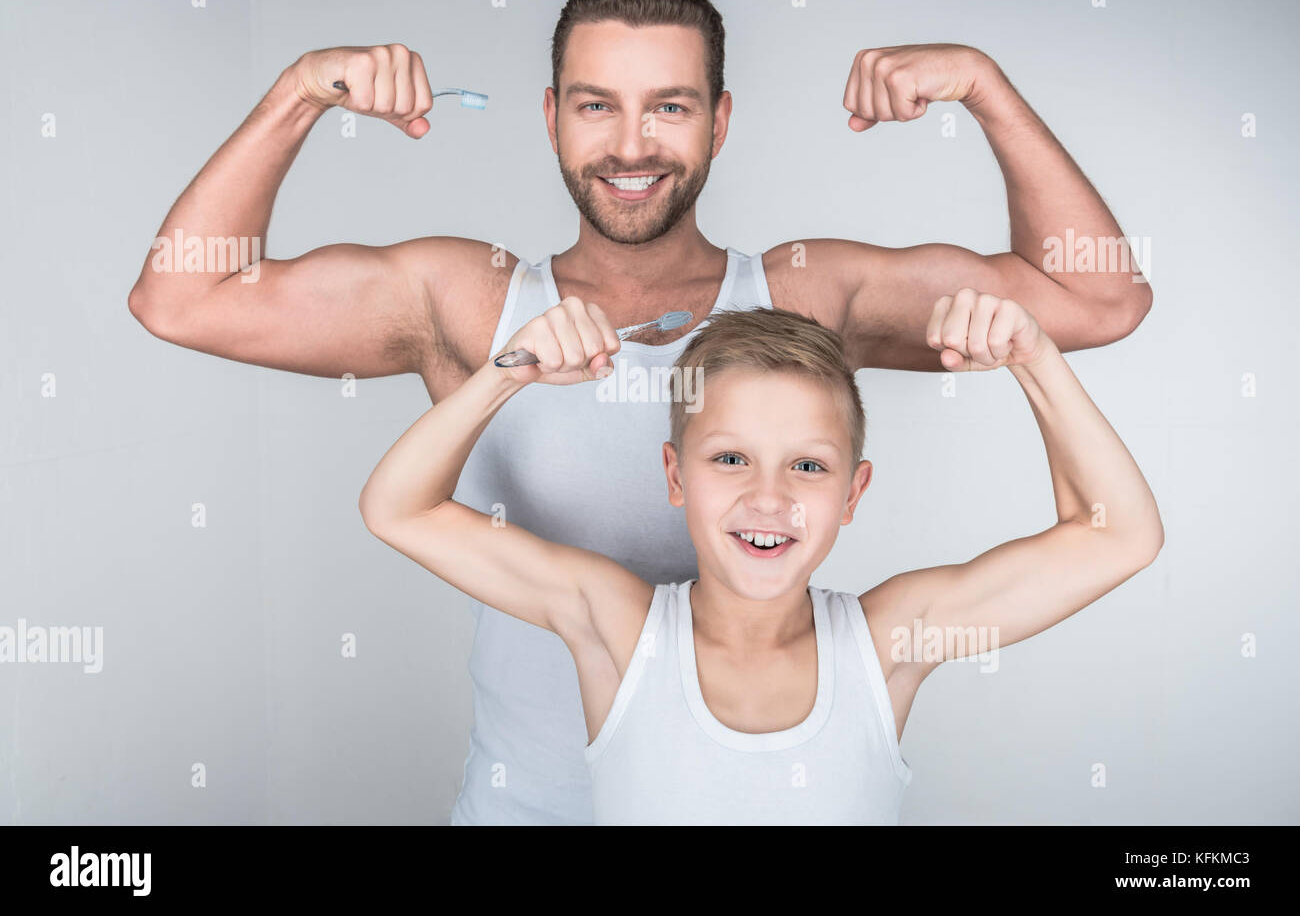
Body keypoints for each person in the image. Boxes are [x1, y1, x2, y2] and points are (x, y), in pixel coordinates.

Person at [126, 0, 1153, 824]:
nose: (630, 145)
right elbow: (180, 300)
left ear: (718, 119)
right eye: (595, 105)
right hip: (526, 804)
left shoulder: (803, 294)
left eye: (668, 105)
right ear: (550, 118)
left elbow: (1097, 297)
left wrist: (984, 89)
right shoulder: (468, 300)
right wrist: (302, 91)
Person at [356, 289, 1163, 824]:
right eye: (731, 459)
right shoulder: (619, 628)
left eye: (808, 466)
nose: (769, 499)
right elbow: (398, 508)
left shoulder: (886, 645)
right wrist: (509, 372)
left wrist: (1035, 357)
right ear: (676, 477)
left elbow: (1117, 534)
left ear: (853, 492)